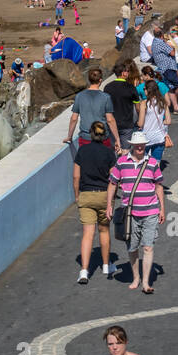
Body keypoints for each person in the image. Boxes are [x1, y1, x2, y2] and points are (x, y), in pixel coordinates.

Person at [106, 131, 165, 293]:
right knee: (132, 248)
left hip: (150, 211)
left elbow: (159, 186)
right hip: (130, 214)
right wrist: (109, 205)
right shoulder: (121, 162)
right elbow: (112, 183)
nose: (140, 147)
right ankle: (136, 277)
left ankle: (145, 282)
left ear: (145, 145)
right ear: (132, 145)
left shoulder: (152, 163)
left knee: (148, 247)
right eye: (137, 145)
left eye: (142, 145)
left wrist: (162, 208)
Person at [74, 121, 119, 284]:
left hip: (86, 195)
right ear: (105, 135)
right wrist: (112, 199)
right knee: (104, 230)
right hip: (103, 196)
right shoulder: (109, 153)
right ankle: (106, 265)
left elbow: (76, 176)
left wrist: (77, 196)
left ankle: (84, 271)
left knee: (88, 234)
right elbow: (113, 179)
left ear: (90, 134)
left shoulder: (82, 151)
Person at [66, 67, 119, 149]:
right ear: (100, 80)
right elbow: (110, 120)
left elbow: (74, 119)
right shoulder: (106, 97)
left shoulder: (79, 96)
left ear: (89, 80)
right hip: (102, 137)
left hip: (85, 138)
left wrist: (69, 137)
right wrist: (117, 139)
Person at [140, 80, 171, 163]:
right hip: (160, 137)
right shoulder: (163, 102)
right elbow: (168, 121)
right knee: (156, 163)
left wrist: (138, 123)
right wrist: (161, 122)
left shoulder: (144, 103)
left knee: (144, 163)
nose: (144, 90)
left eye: (144, 89)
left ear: (148, 90)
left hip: (147, 137)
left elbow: (140, 123)